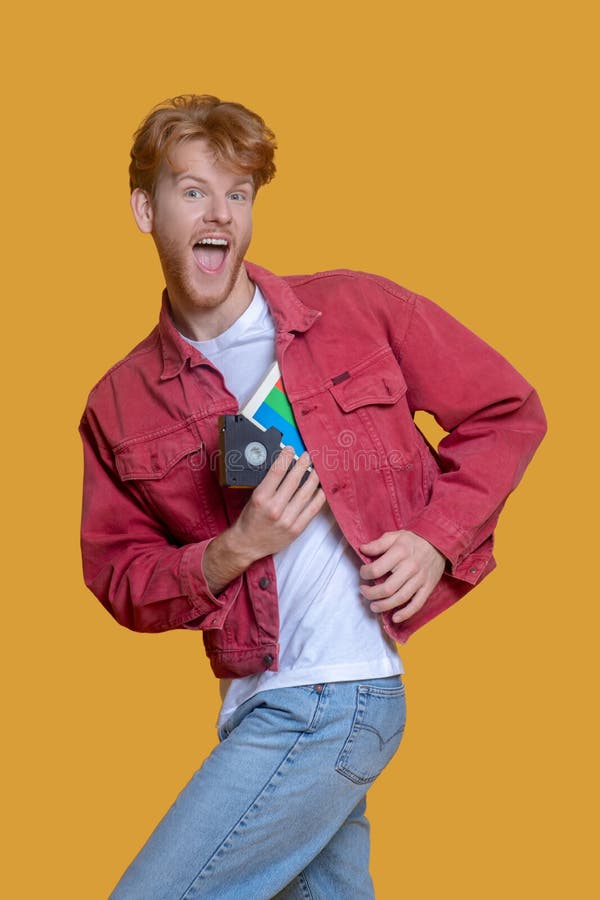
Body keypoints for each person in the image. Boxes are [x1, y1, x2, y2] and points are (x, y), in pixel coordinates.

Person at [79, 94, 546, 899]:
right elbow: (121, 576)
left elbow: (507, 411)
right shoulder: (121, 402)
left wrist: (435, 537)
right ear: (144, 208)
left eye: (238, 192)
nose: (218, 212)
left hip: (334, 693)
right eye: (192, 190)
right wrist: (234, 548)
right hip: (256, 699)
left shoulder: (355, 312)